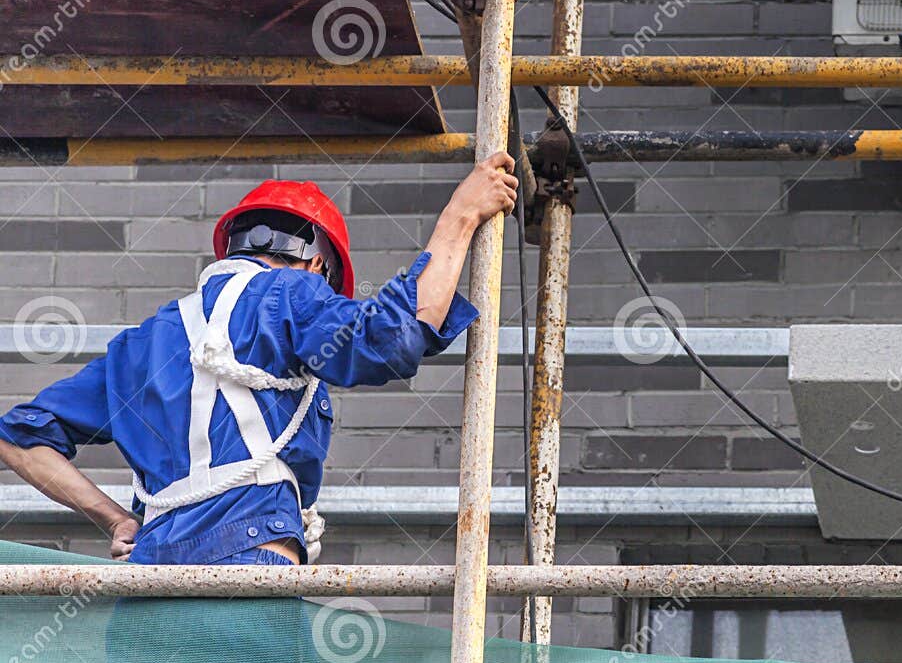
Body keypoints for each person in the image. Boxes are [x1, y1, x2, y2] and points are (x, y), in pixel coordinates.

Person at [0, 155, 520, 563]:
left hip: (148, 579)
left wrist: (116, 520)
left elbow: (17, 438)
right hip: (248, 568)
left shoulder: (139, 345)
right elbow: (394, 336)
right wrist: (462, 214)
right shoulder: (292, 293)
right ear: (317, 264)